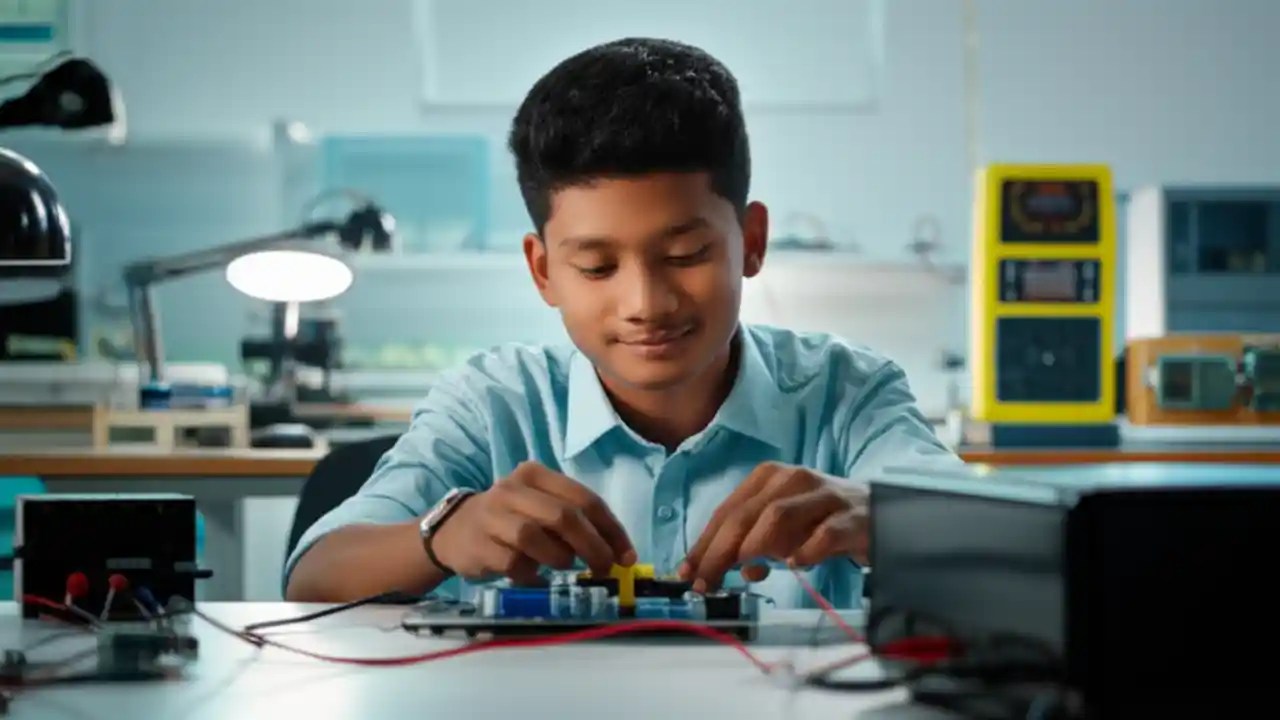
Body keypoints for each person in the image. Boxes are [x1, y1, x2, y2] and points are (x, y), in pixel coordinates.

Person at [284, 37, 961, 608]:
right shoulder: (493, 405)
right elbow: (312, 577)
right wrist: (442, 535)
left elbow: (1013, 544)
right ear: (543, 269)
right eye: (597, 267)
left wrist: (877, 515)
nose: (646, 302)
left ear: (751, 242)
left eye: (687, 254)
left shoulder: (848, 393)